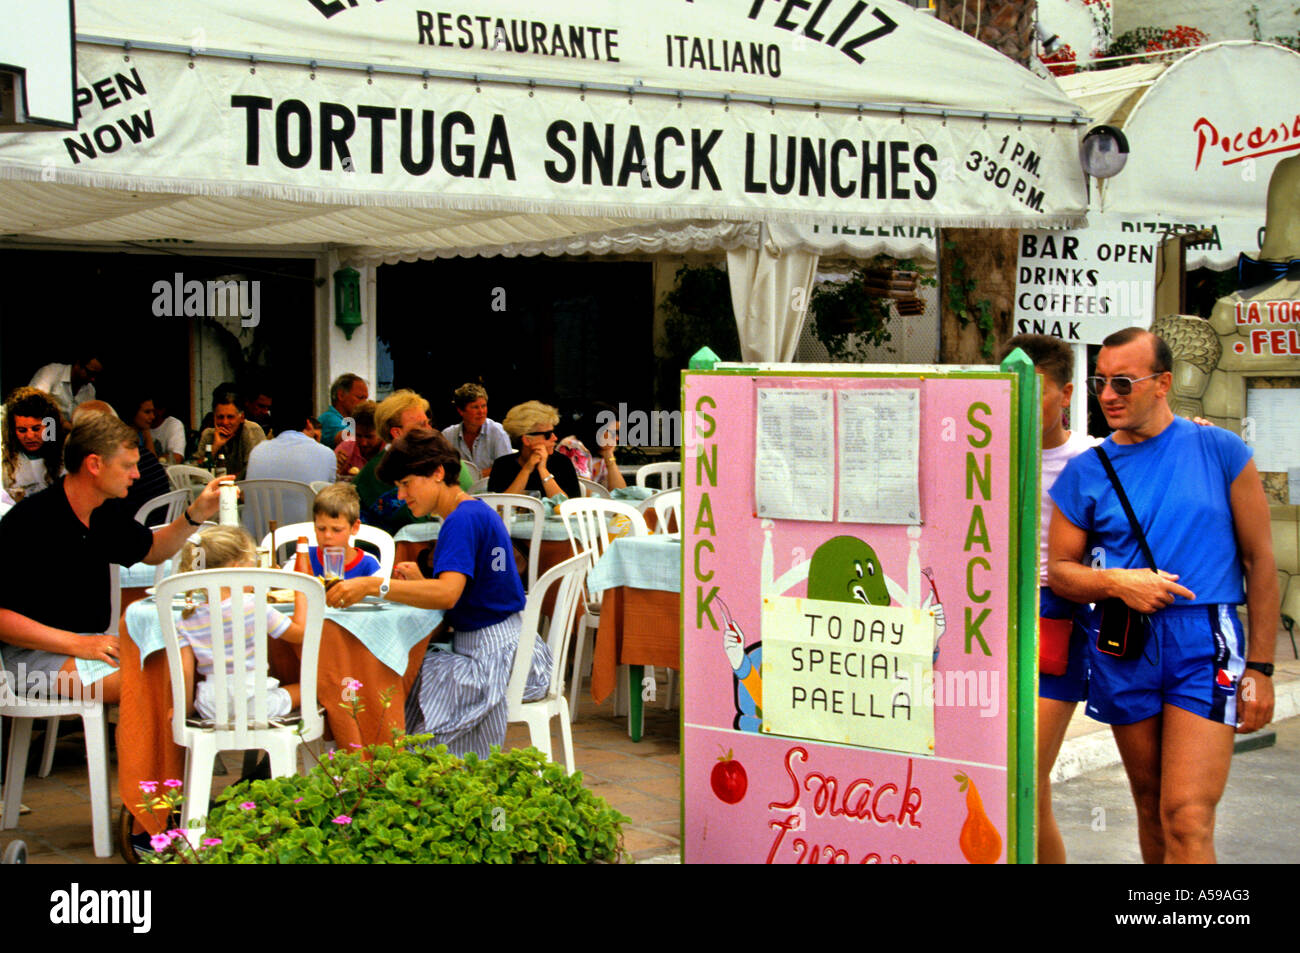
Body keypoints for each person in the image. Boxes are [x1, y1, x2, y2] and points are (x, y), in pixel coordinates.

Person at [1048, 328, 1278, 864]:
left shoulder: (1221, 449)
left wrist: (1261, 667)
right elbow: (1061, 572)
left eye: (1123, 382)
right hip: (1125, 642)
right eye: (1100, 382)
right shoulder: (1087, 471)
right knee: (1150, 806)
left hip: (1203, 640)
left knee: (1187, 815)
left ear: (1162, 383)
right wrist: (1117, 583)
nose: (1108, 396)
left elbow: (1260, 561)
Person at [326, 430, 551, 757]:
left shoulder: (459, 521)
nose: (401, 496)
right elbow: (467, 589)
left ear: (437, 473)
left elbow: (447, 594)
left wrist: (374, 585)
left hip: (493, 661)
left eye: (406, 483)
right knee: (403, 671)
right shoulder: (474, 510)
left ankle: (378, 767)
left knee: (391, 678)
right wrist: (420, 583)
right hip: (519, 649)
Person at [0, 413, 227, 704]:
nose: (136, 474)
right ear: (94, 464)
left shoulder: (101, 512)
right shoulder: (31, 520)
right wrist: (80, 643)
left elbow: (154, 550)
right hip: (24, 661)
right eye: (127, 465)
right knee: (151, 688)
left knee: (185, 671)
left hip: (84, 646)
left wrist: (195, 513)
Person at [1000, 334, 1100, 864]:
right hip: (989, 616)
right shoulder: (981, 449)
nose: (1019, 401)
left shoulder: (1093, 457)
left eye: (1032, 390)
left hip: (1056, 612)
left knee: (1027, 775)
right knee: (1000, 775)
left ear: (1065, 394)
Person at [173, 525, 308, 720]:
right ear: (238, 570)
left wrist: (183, 712)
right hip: (257, 702)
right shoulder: (252, 605)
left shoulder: (187, 617)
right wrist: (301, 590)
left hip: (211, 707)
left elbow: (185, 672)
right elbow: (300, 634)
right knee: (311, 687)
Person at [488, 401, 580, 499]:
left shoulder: (562, 463)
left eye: (553, 432)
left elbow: (568, 508)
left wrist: (543, 471)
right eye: (548, 434)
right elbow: (500, 507)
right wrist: (527, 470)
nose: (555, 438)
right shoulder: (503, 465)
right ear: (527, 440)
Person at [287, 483, 382, 579]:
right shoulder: (303, 558)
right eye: (321, 528)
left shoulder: (369, 565)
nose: (327, 535)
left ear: (354, 527)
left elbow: (381, 590)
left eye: (337, 530)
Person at [244, 397, 337, 486]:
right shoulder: (326, 454)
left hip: (262, 503)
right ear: (308, 424)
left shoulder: (258, 452)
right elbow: (329, 499)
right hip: (309, 502)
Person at [2, 387, 66, 506]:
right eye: (22, 430)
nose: (30, 436)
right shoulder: (5, 460)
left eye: (36, 429)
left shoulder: (65, 456)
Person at [441, 383, 511, 479]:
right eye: (475, 407)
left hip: (492, 490)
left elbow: (506, 468)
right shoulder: (447, 435)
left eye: (483, 406)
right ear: (461, 410)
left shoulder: (498, 432)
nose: (481, 412)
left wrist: (473, 477)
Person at [193, 390, 266, 479]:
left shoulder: (252, 430)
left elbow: (254, 470)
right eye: (220, 417)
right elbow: (193, 474)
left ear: (242, 417)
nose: (225, 422)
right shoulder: (208, 434)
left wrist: (224, 481)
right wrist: (214, 448)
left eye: (230, 417)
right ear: (214, 418)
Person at [557, 401, 628, 490]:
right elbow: (586, 492)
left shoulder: (602, 449)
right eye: (612, 432)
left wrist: (610, 457)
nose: (617, 438)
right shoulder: (571, 446)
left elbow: (620, 491)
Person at [29, 351, 102, 420]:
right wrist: (61, 422)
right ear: (78, 365)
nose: (93, 379)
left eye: (96, 375)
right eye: (90, 373)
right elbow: (32, 402)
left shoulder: (90, 390)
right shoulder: (51, 372)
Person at [334, 400, 383, 480]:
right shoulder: (346, 448)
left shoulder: (390, 451)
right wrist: (336, 469)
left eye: (369, 437)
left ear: (381, 432)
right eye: (358, 435)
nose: (363, 443)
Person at [318, 373, 369, 448]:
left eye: (366, 398)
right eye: (360, 397)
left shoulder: (350, 420)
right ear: (341, 395)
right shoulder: (329, 418)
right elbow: (350, 440)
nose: (365, 403)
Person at [149, 396, 186, 465]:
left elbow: (176, 458)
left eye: (152, 411)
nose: (151, 416)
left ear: (161, 411)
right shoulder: (137, 427)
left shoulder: (174, 424)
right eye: (147, 412)